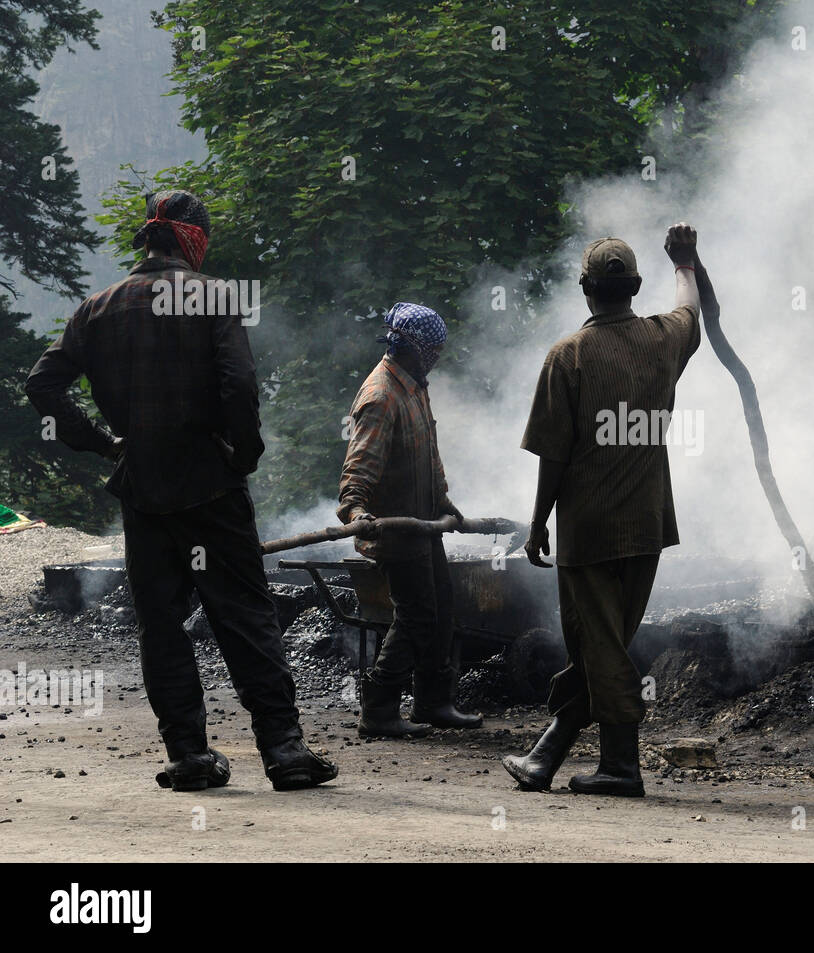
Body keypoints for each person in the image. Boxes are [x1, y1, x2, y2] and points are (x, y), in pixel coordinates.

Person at [25, 189, 337, 792]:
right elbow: (239, 384)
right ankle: (284, 750)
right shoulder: (214, 297)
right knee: (245, 615)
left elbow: (44, 384)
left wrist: (102, 442)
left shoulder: (97, 308)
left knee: (161, 626)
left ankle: (190, 755)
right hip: (210, 485)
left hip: (142, 489)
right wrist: (241, 453)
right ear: (191, 238)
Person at [502, 224, 703, 797]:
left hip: (589, 534)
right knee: (604, 644)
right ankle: (546, 757)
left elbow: (553, 455)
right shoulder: (665, 339)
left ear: (584, 288)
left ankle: (620, 767)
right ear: (636, 286)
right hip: (646, 526)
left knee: (601, 647)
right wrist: (685, 261)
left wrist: (539, 520)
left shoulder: (568, 357)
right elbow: (691, 308)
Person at [337, 302, 482, 737]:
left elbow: (428, 450)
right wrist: (357, 511)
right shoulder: (381, 396)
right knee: (416, 614)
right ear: (412, 348)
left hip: (423, 523)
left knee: (441, 607)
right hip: (394, 528)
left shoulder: (414, 385)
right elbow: (357, 469)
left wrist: (442, 501)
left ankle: (433, 702)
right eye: (433, 350)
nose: (436, 357)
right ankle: (379, 709)